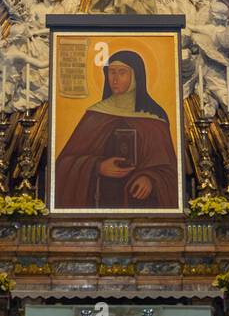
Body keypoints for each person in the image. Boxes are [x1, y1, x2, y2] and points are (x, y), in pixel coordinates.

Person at [54, 51, 179, 210]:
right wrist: (97, 166)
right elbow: (65, 164)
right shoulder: (95, 114)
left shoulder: (155, 118)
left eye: (122, 73)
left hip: (142, 207)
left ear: (136, 76)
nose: (114, 79)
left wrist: (150, 179)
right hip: (98, 203)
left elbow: (170, 171)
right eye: (111, 72)